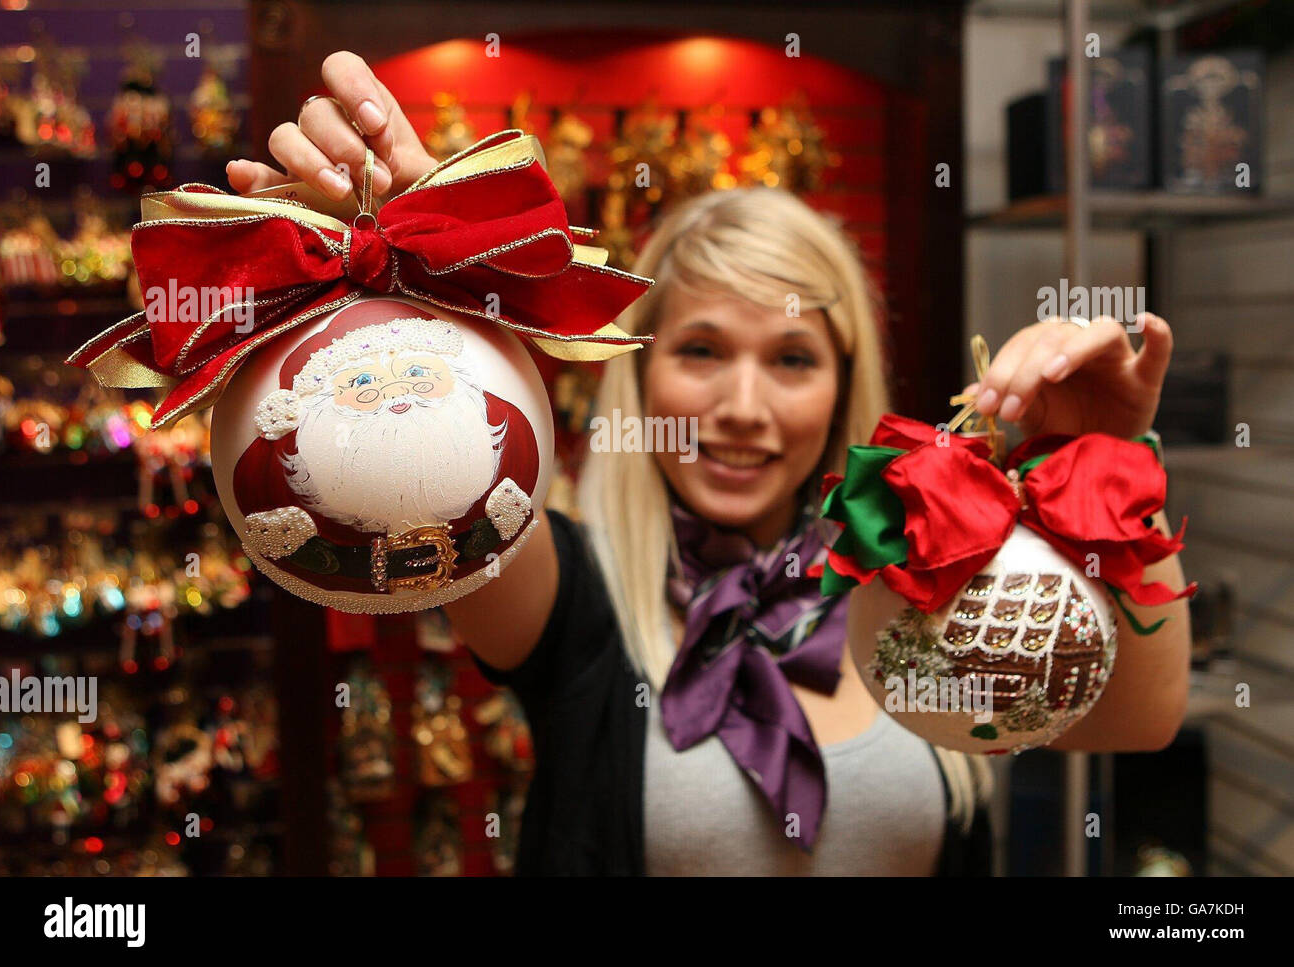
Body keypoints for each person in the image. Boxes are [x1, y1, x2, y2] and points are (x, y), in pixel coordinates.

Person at [229, 51, 1192, 876]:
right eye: (699, 351)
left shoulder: (931, 570)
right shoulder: (574, 582)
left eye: (791, 359)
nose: (740, 407)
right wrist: (421, 273)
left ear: (843, 387)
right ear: (640, 381)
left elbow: (1138, 720)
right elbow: (448, 507)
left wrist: (1108, 457)